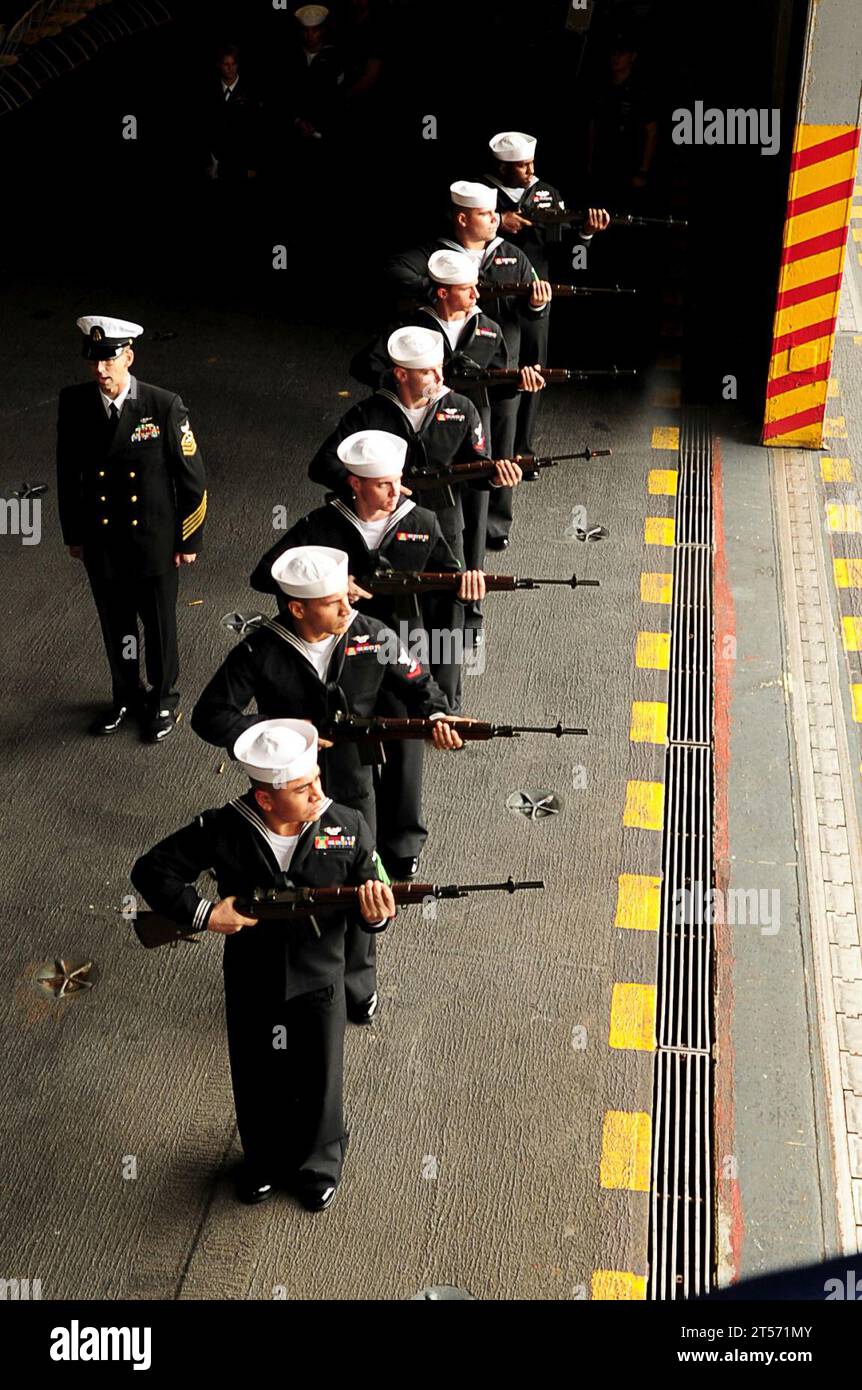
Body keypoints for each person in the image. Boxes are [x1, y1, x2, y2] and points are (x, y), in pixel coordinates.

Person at [131, 718, 396, 1210]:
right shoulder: (223, 828)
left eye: (318, 779)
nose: (319, 793)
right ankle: (263, 1158)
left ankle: (320, 1161)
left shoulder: (348, 826)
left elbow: (370, 894)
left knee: (321, 1074)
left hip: (321, 978)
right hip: (253, 977)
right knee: (257, 1073)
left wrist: (376, 918)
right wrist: (205, 914)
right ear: (266, 799)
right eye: (303, 788)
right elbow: (152, 869)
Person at [191, 545, 465, 1019]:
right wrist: (276, 734)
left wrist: (438, 714)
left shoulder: (371, 634)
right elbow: (210, 716)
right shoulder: (260, 649)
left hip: (354, 788)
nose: (348, 607)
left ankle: (357, 984)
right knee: (279, 882)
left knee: (363, 884)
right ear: (297, 608)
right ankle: (278, 978)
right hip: (280, 793)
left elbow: (418, 683)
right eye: (334, 602)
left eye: (346, 596)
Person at [250, 430, 482, 877]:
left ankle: (404, 840)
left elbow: (447, 581)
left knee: (405, 745)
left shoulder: (422, 522)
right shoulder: (321, 526)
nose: (398, 492)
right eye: (384, 485)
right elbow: (265, 575)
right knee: (347, 762)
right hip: (337, 653)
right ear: (354, 483)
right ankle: (349, 853)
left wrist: (464, 593)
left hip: (400, 647)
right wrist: (328, 586)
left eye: (398, 482)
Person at [310, 325, 521, 634]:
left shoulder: (461, 408)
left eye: (439, 370)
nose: (440, 379)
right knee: (385, 618)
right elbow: (322, 465)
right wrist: (369, 488)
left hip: (444, 526)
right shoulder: (369, 414)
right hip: (383, 529)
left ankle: (444, 672)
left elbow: (477, 470)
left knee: (446, 620)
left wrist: (495, 478)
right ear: (400, 374)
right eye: (428, 372)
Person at [56, 316, 207, 742]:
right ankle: (124, 694)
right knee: (115, 623)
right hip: (103, 541)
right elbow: (68, 475)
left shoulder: (162, 406)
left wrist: (188, 537)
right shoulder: (75, 404)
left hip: (153, 540)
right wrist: (74, 534)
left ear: (129, 357)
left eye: (109, 360)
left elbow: (191, 478)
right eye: (94, 362)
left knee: (158, 627)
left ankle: (162, 699)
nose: (100, 371)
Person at [385, 181, 549, 548]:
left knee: (498, 447)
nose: (496, 219)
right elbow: (395, 270)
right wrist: (436, 291)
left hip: (497, 365)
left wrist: (538, 303)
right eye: (485, 214)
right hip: (446, 373)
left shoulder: (511, 255)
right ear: (462, 218)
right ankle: (442, 531)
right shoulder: (437, 256)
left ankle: (493, 525)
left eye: (494, 213)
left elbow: (532, 310)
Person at [484, 131, 609, 455]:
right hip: (489, 296)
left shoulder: (548, 194)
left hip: (535, 294)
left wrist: (585, 232)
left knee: (533, 370)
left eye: (531, 164)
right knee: (491, 368)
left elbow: (568, 250)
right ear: (501, 168)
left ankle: (522, 449)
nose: (530, 171)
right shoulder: (482, 196)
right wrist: (498, 221)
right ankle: (489, 449)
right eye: (522, 166)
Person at [204, 45, 262, 181]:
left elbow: (257, 131)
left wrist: (254, 165)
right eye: (226, 64)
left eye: (234, 64)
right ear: (219, 65)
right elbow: (204, 127)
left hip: (243, 162)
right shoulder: (209, 91)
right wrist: (208, 160)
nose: (230, 68)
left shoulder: (251, 91)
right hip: (216, 162)